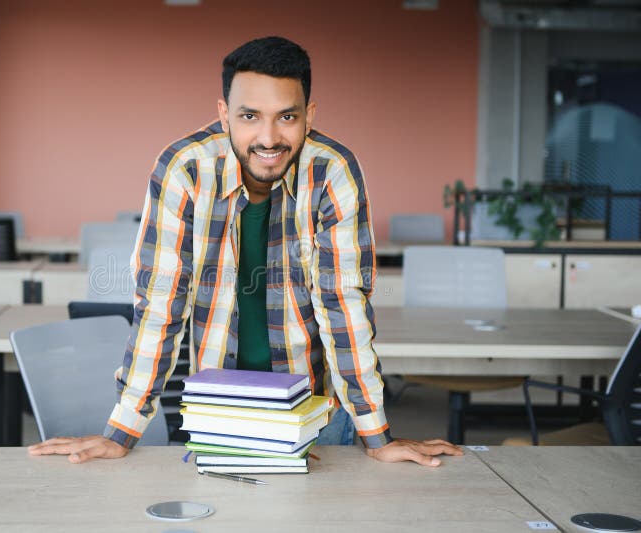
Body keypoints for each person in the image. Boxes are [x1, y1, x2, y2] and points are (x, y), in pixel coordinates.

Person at [30, 36, 462, 466]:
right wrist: (122, 431)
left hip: (315, 417)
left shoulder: (333, 171)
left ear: (309, 116)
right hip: (220, 411)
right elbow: (162, 303)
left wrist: (377, 436)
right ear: (224, 114)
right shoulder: (186, 169)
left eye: (287, 116)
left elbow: (343, 304)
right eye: (250, 116)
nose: (268, 137)